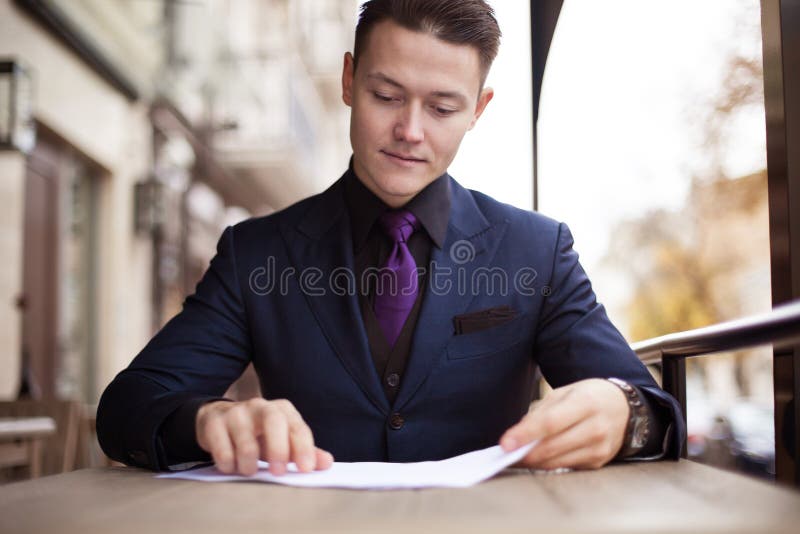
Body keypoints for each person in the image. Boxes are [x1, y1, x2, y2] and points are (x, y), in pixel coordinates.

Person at [97, 0, 685, 477]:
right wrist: (204, 419)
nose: (409, 131)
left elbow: (653, 409)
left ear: (478, 110)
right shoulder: (256, 253)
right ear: (350, 80)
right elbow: (127, 408)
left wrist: (622, 411)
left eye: (443, 108)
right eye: (386, 96)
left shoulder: (539, 250)